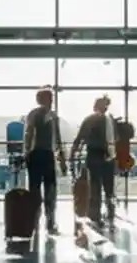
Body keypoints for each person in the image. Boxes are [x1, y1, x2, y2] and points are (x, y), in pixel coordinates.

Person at [24, 86, 67, 235]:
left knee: (35, 189)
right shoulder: (51, 116)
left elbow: (29, 134)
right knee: (49, 189)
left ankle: (35, 221)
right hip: (44, 155)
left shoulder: (35, 114)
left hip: (37, 155)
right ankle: (49, 222)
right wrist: (62, 159)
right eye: (50, 98)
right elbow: (57, 139)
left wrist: (26, 152)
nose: (52, 101)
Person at [71, 95, 116, 230]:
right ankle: (110, 214)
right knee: (109, 187)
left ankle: (95, 216)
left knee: (95, 187)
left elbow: (80, 138)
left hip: (94, 156)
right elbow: (115, 139)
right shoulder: (110, 120)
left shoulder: (90, 119)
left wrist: (73, 154)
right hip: (108, 156)